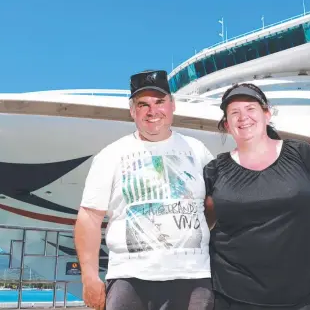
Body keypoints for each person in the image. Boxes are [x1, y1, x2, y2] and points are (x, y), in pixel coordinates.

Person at [74, 70, 215, 310]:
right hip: (129, 276)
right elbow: (89, 217)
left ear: (172, 105)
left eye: (160, 102)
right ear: (132, 111)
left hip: (193, 275)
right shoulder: (111, 155)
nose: (153, 111)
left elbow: (211, 206)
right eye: (143, 104)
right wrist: (89, 277)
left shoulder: (197, 150)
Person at [203, 83, 310, 309]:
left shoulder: (302, 154)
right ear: (227, 124)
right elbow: (201, 225)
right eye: (234, 112)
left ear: (267, 113)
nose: (243, 117)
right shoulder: (215, 171)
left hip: (306, 292)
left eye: (250, 109)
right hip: (234, 295)